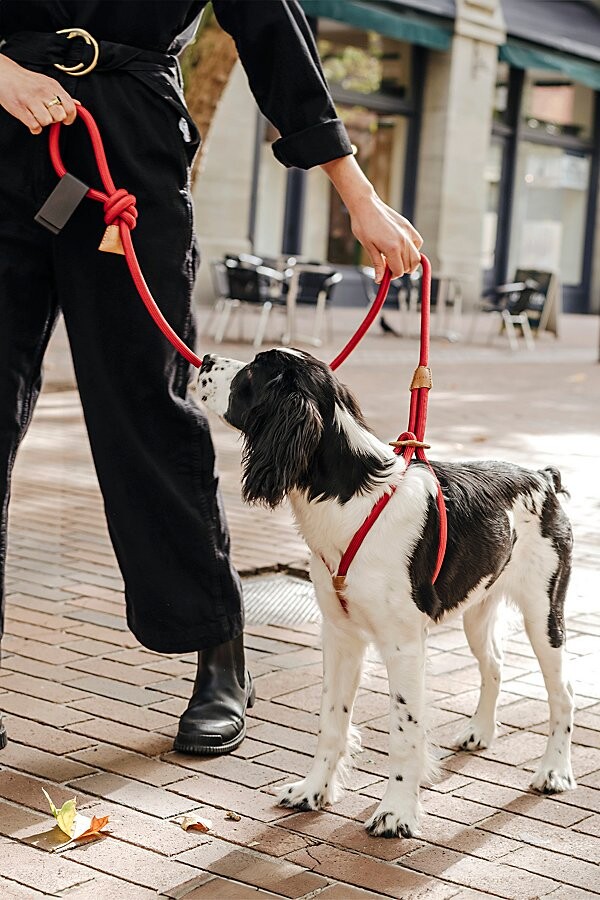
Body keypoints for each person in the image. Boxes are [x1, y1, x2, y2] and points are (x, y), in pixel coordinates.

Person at [0, 1, 422, 755]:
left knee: (149, 414)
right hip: (1, 125)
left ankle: (219, 651)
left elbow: (272, 28)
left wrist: (357, 194)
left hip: (127, 152)